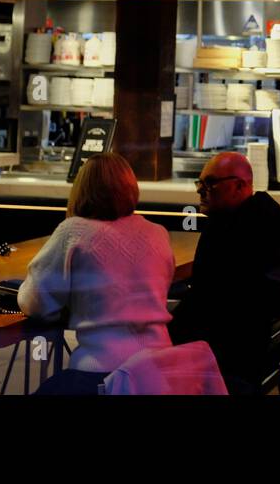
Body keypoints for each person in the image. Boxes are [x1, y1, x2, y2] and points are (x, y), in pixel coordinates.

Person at [19, 153, 175, 395]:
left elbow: (35, 302)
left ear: (81, 190)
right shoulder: (158, 233)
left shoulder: (73, 231)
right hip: (159, 370)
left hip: (99, 374)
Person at [169, 151, 280, 394]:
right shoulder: (266, 217)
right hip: (265, 344)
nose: (200, 190)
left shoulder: (230, 230)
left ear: (239, 186)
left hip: (236, 352)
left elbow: (207, 301)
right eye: (200, 182)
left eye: (210, 183)